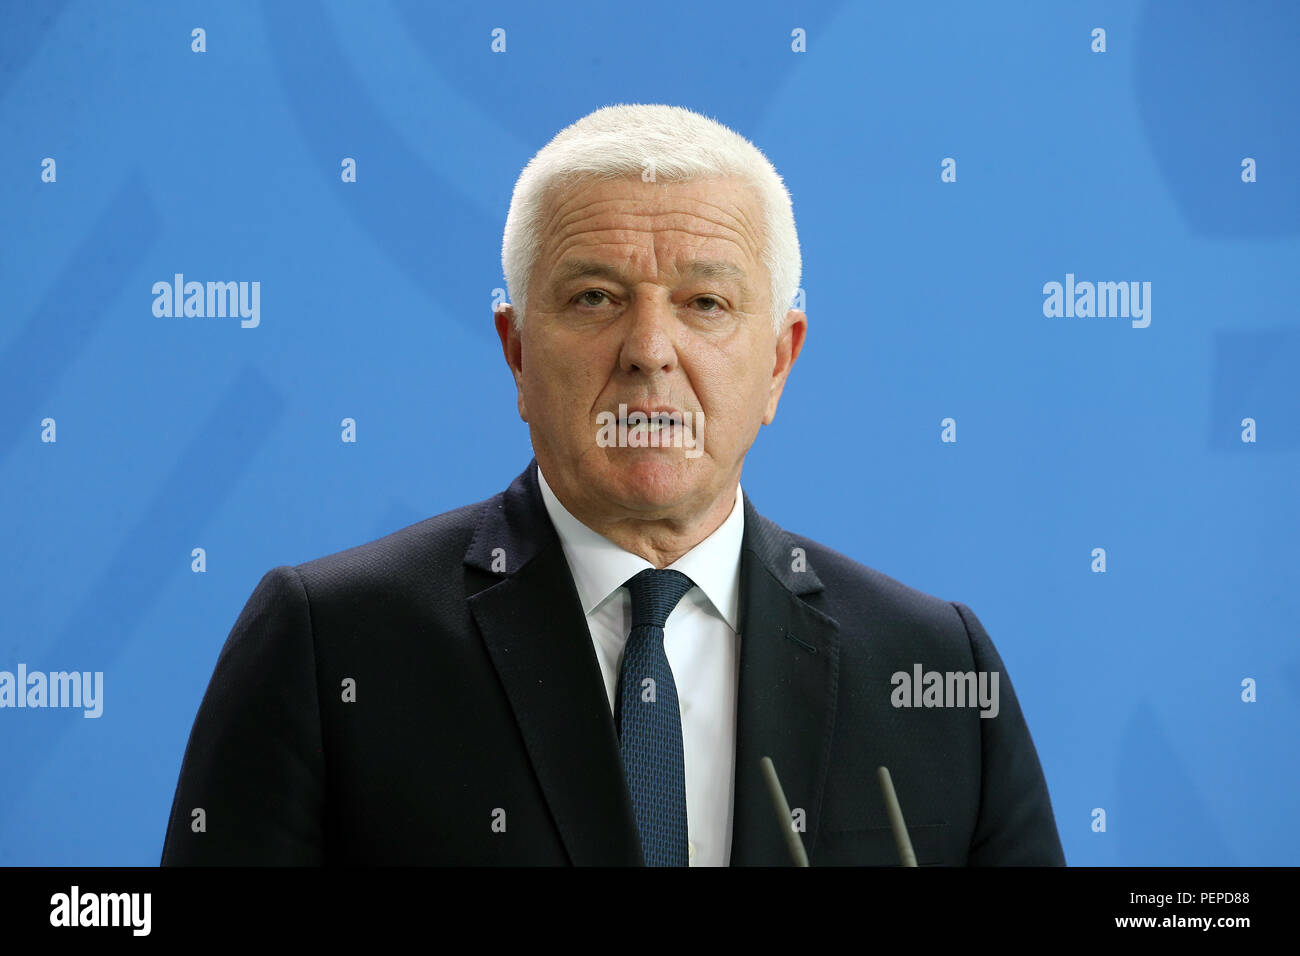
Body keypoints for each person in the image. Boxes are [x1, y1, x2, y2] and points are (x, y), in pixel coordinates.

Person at [160, 103, 1065, 866]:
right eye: (595, 297)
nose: (649, 351)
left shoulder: (938, 664)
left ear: (780, 362)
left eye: (706, 303)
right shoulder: (330, 645)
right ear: (516, 351)